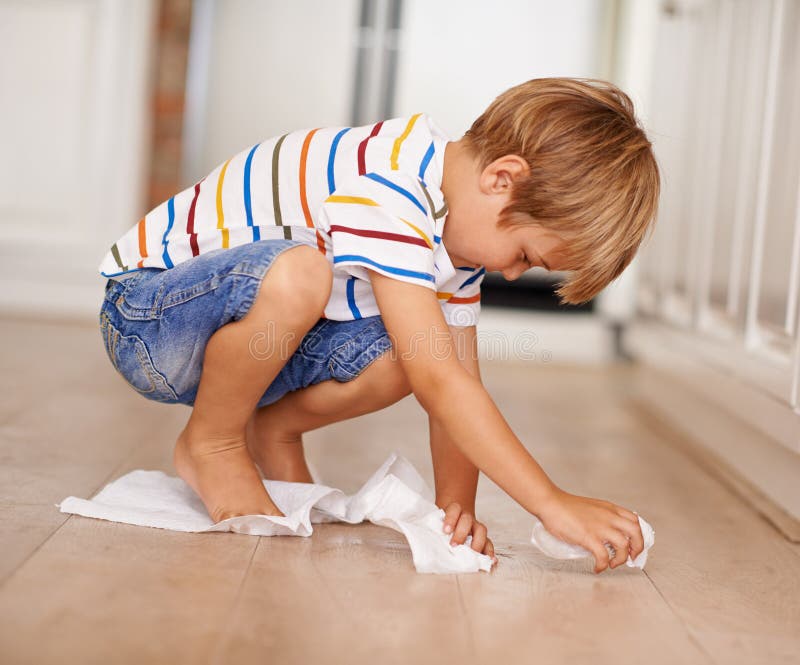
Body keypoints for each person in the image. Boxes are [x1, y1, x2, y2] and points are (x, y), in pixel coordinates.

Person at [98, 77, 659, 574]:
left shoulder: (457, 248)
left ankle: (272, 429)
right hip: (150, 319)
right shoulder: (393, 187)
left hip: (239, 349)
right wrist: (550, 502)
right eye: (525, 255)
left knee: (409, 354)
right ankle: (213, 442)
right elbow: (445, 382)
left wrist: (454, 513)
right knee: (299, 276)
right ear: (502, 179)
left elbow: (457, 381)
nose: (510, 273)